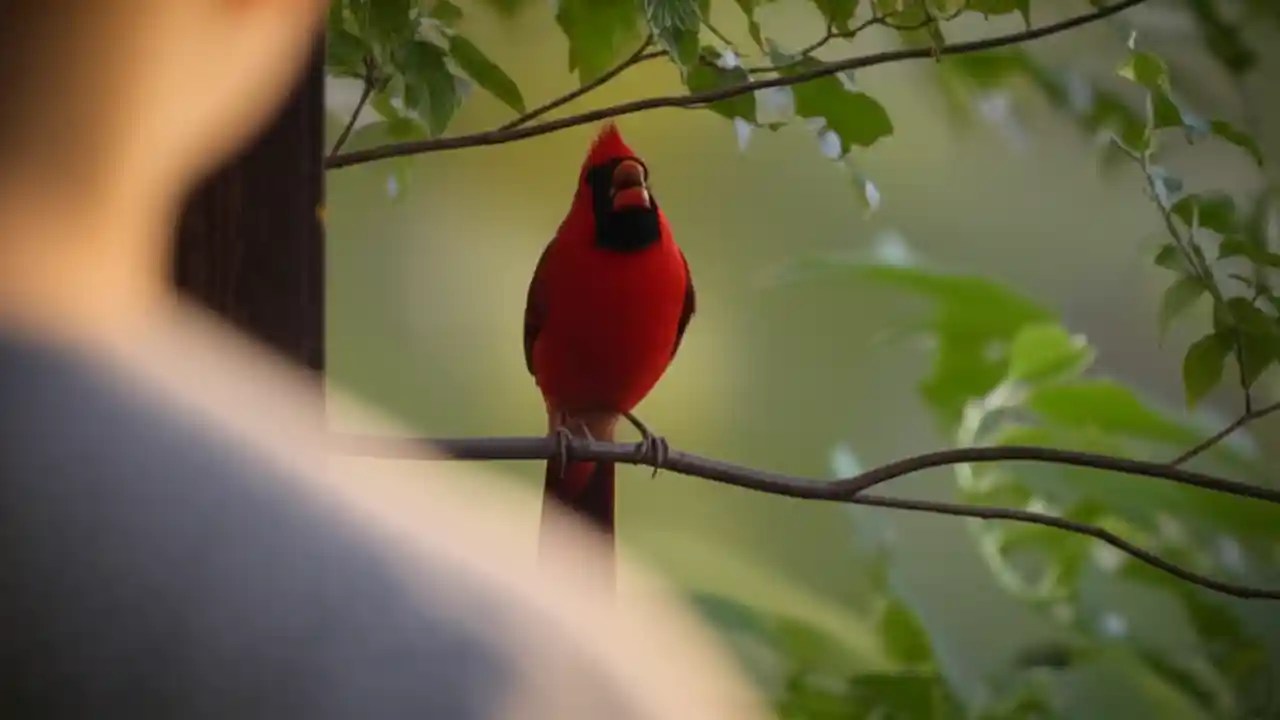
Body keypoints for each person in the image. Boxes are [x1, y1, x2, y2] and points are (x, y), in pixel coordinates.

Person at [0, 1, 767, 717]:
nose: (629, 191)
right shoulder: (517, 670)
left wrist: (632, 434)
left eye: (635, 184)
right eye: (610, 185)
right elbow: (541, 345)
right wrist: (566, 422)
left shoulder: (676, 275)